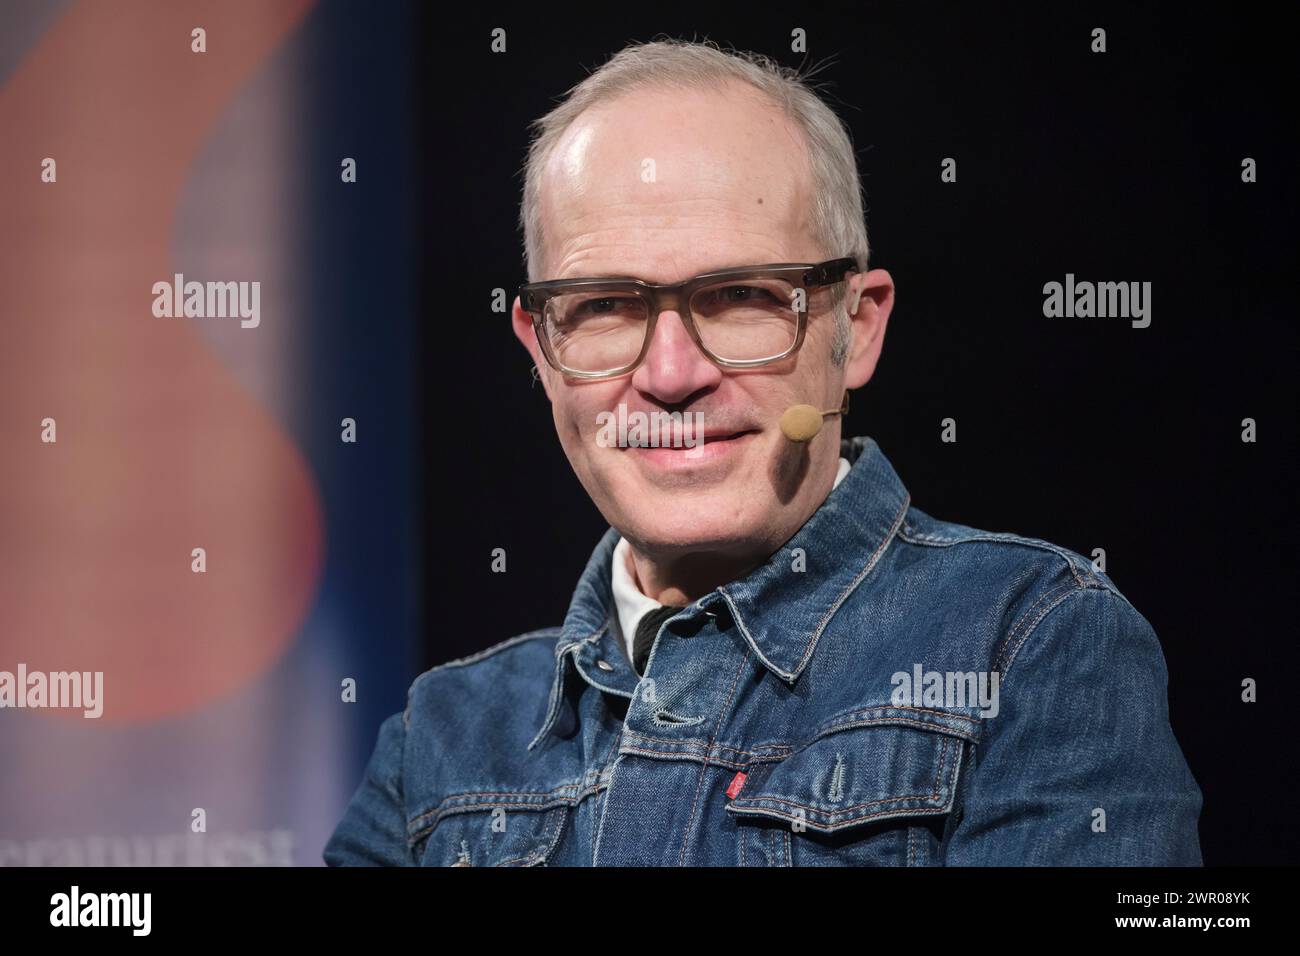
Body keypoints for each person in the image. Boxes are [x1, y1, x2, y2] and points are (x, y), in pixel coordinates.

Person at [324, 38, 1201, 866]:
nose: (670, 375)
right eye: (604, 307)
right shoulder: (437, 740)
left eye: (741, 296)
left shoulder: (1031, 644)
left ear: (855, 329)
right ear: (540, 350)